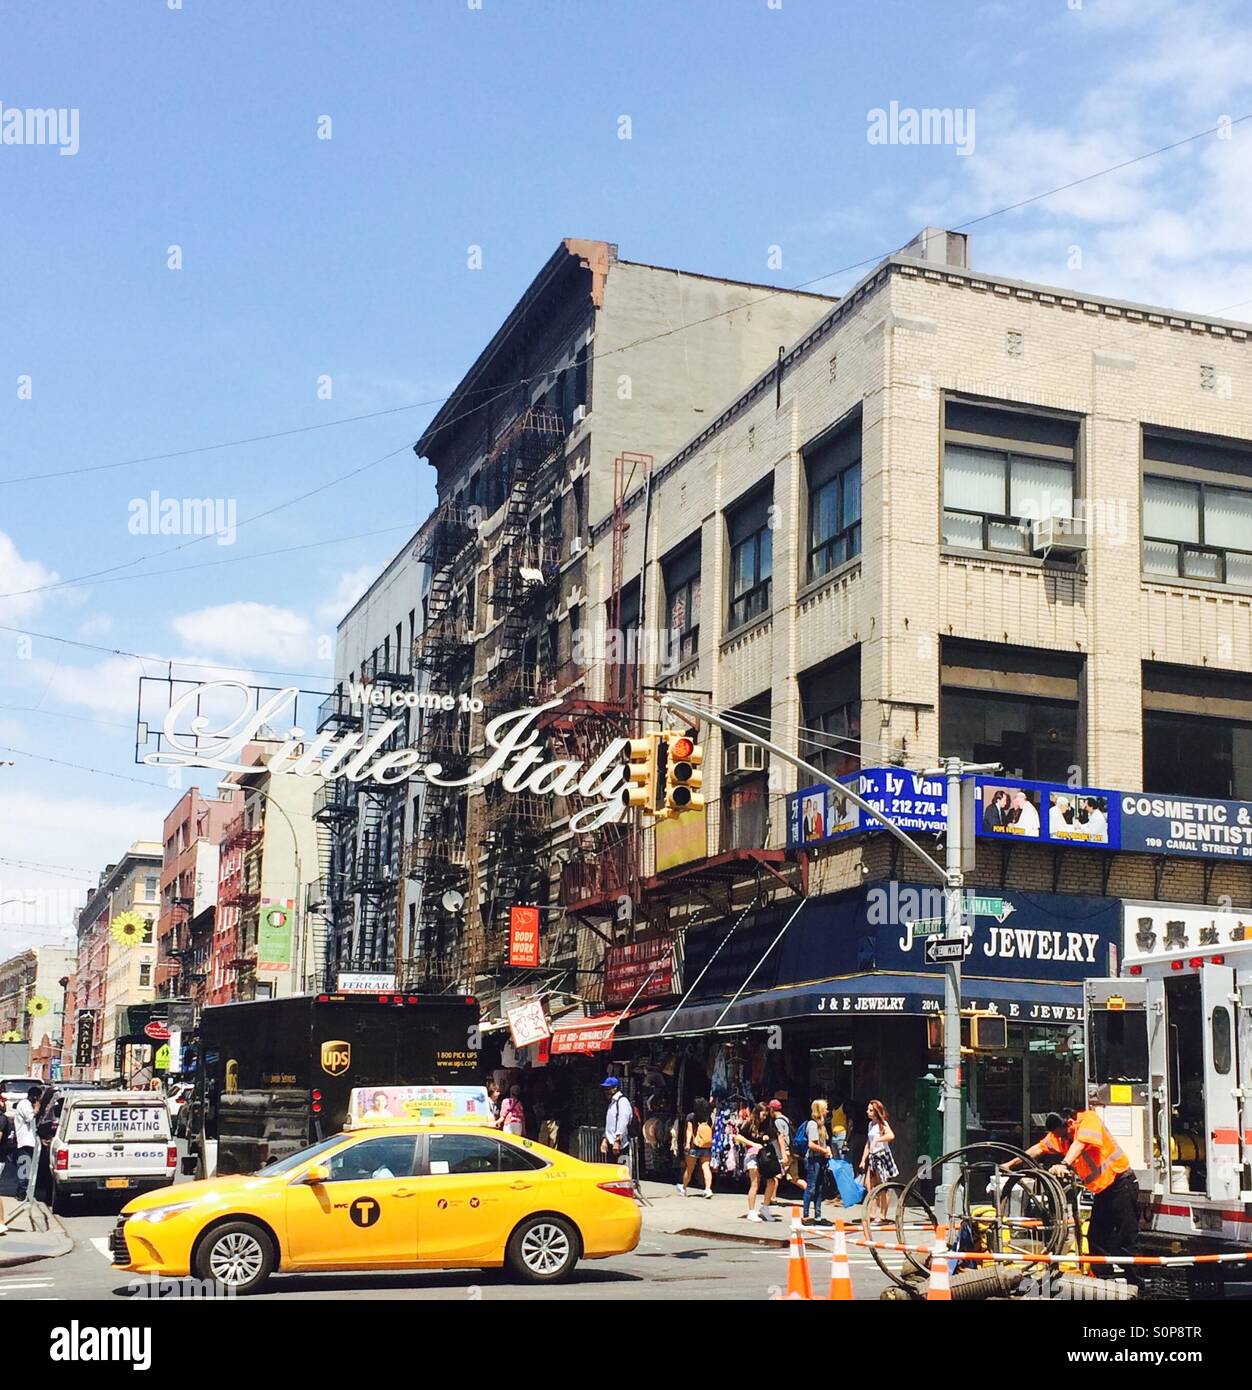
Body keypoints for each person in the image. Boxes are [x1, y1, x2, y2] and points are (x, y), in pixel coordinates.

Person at [1005, 1110, 1138, 1275]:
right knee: (1096, 1239)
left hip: (1121, 1183)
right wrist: (1010, 1164)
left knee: (1126, 1238)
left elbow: (1080, 1143)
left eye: (1062, 1135)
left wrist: (1064, 1164)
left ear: (1069, 1123)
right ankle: (1105, 1279)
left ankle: (1137, 1284)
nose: (1061, 1140)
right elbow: (1038, 1149)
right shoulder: (1061, 1135)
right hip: (1104, 1191)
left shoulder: (1089, 1119)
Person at [735, 1102, 781, 1222]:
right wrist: (753, 1144)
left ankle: (765, 1207)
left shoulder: (766, 1124)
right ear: (757, 1112)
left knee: (772, 1180)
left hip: (764, 1155)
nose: (764, 1117)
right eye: (763, 1114)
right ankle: (751, 1211)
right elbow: (738, 1137)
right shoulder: (749, 1123)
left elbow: (775, 1135)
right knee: (755, 1183)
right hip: (753, 1154)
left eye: (766, 1115)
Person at [859, 1099, 899, 1221]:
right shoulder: (870, 1125)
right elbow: (868, 1142)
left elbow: (891, 1136)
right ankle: (872, 1212)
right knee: (869, 1184)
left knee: (882, 1186)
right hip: (872, 1156)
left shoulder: (883, 1124)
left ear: (876, 1112)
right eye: (868, 1109)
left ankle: (882, 1214)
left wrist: (879, 1140)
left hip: (882, 1155)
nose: (868, 1112)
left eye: (871, 1110)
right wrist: (863, 1160)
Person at [800, 1099, 832, 1227]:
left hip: (821, 1158)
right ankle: (806, 1215)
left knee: (819, 1187)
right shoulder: (813, 1125)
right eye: (825, 1108)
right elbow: (811, 1144)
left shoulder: (822, 1124)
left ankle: (818, 1215)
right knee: (811, 1187)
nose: (827, 1110)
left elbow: (823, 1142)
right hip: (814, 1159)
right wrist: (824, 1150)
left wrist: (827, 1149)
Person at [676, 1096, 714, 1200]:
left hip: (694, 1146)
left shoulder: (691, 1117)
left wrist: (687, 1144)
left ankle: (684, 1188)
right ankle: (708, 1189)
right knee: (706, 1168)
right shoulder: (708, 1117)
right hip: (706, 1146)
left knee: (689, 1169)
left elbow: (689, 1131)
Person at [12, 1087, 41, 1203]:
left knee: (29, 1169)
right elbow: (30, 1117)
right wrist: (37, 1108)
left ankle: (26, 1191)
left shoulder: (27, 1104)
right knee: (24, 1168)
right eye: (39, 1097)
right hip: (25, 1142)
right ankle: (21, 1193)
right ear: (35, 1097)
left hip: (30, 1142)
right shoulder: (24, 1104)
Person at [600, 1076, 632, 1160]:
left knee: (622, 1171)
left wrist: (617, 1141)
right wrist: (605, 1140)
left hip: (620, 1146)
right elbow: (609, 1124)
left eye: (608, 1088)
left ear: (615, 1088)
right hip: (611, 1145)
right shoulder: (612, 1103)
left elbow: (623, 1122)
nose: (606, 1091)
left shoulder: (622, 1101)